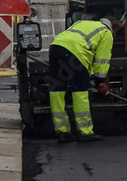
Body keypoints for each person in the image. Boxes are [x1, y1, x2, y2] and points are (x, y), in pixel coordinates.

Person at [48, 14, 118, 143]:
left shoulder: (83, 23)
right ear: (113, 28)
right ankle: (84, 132)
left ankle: (62, 132)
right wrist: (100, 81)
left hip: (55, 48)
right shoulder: (106, 32)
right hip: (75, 54)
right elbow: (102, 60)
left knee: (57, 91)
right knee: (81, 92)